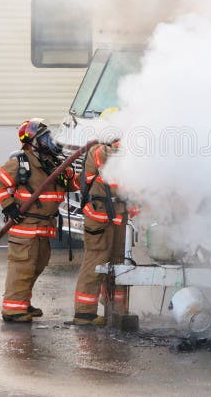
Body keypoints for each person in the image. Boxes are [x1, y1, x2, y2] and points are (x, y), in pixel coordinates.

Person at [0, 118, 74, 323]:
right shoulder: (20, 162)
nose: (50, 141)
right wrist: (8, 205)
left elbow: (74, 184)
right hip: (26, 228)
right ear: (32, 142)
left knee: (37, 265)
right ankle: (13, 309)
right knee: (22, 267)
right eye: (45, 138)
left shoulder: (52, 164)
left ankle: (22, 302)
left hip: (44, 227)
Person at [72, 117, 138, 326]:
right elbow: (115, 171)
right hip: (99, 217)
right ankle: (84, 313)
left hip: (118, 216)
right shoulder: (99, 151)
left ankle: (116, 309)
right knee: (96, 262)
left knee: (119, 263)